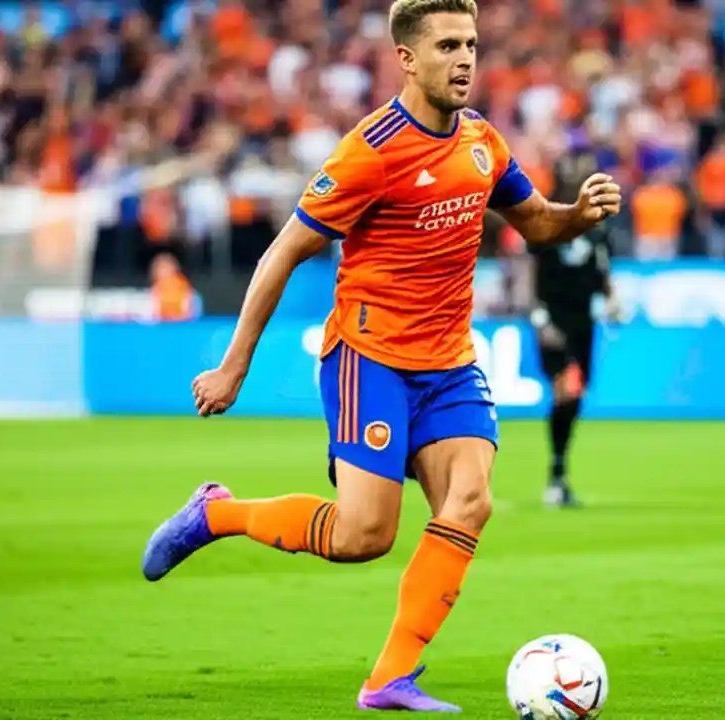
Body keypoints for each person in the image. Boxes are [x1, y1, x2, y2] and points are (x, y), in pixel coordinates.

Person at [139, 0, 622, 712]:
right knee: (363, 535)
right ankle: (218, 514)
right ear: (407, 57)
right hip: (371, 358)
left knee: (471, 498)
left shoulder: (483, 142)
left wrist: (577, 214)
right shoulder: (371, 150)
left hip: (450, 361)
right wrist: (234, 363)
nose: (465, 59)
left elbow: (536, 222)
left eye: (472, 44)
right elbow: (284, 253)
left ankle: (387, 680)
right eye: (449, 45)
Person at [529, 141, 622, 508]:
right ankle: (554, 476)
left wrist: (612, 299)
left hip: (584, 321)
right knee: (566, 388)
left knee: (576, 395)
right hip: (554, 320)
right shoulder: (544, 216)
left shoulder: (598, 227)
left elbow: (602, 270)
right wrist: (537, 316)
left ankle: (559, 471)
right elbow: (529, 269)